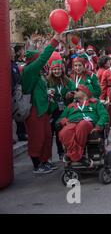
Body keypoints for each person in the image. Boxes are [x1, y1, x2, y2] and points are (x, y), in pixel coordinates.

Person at [21, 33, 62, 174]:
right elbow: (44, 57)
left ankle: (45, 161)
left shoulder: (38, 73)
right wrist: (55, 41)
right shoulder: (29, 70)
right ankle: (37, 165)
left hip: (43, 109)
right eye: (39, 59)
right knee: (37, 137)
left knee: (47, 136)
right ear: (34, 60)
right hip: (34, 110)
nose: (43, 62)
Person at [57, 85, 109, 167]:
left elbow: (104, 115)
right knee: (64, 132)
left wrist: (98, 126)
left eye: (77, 90)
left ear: (85, 93)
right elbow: (61, 118)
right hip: (72, 123)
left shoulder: (95, 103)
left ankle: (72, 155)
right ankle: (79, 157)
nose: (75, 92)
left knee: (82, 124)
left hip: (88, 123)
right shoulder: (71, 105)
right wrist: (65, 121)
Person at [46, 60, 71, 161]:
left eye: (59, 69)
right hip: (52, 111)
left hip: (62, 110)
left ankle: (61, 153)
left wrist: (70, 93)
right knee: (50, 135)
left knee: (60, 133)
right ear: (51, 70)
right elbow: (44, 92)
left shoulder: (66, 80)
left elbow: (72, 89)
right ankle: (48, 157)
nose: (57, 71)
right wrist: (48, 94)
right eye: (55, 69)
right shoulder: (47, 81)